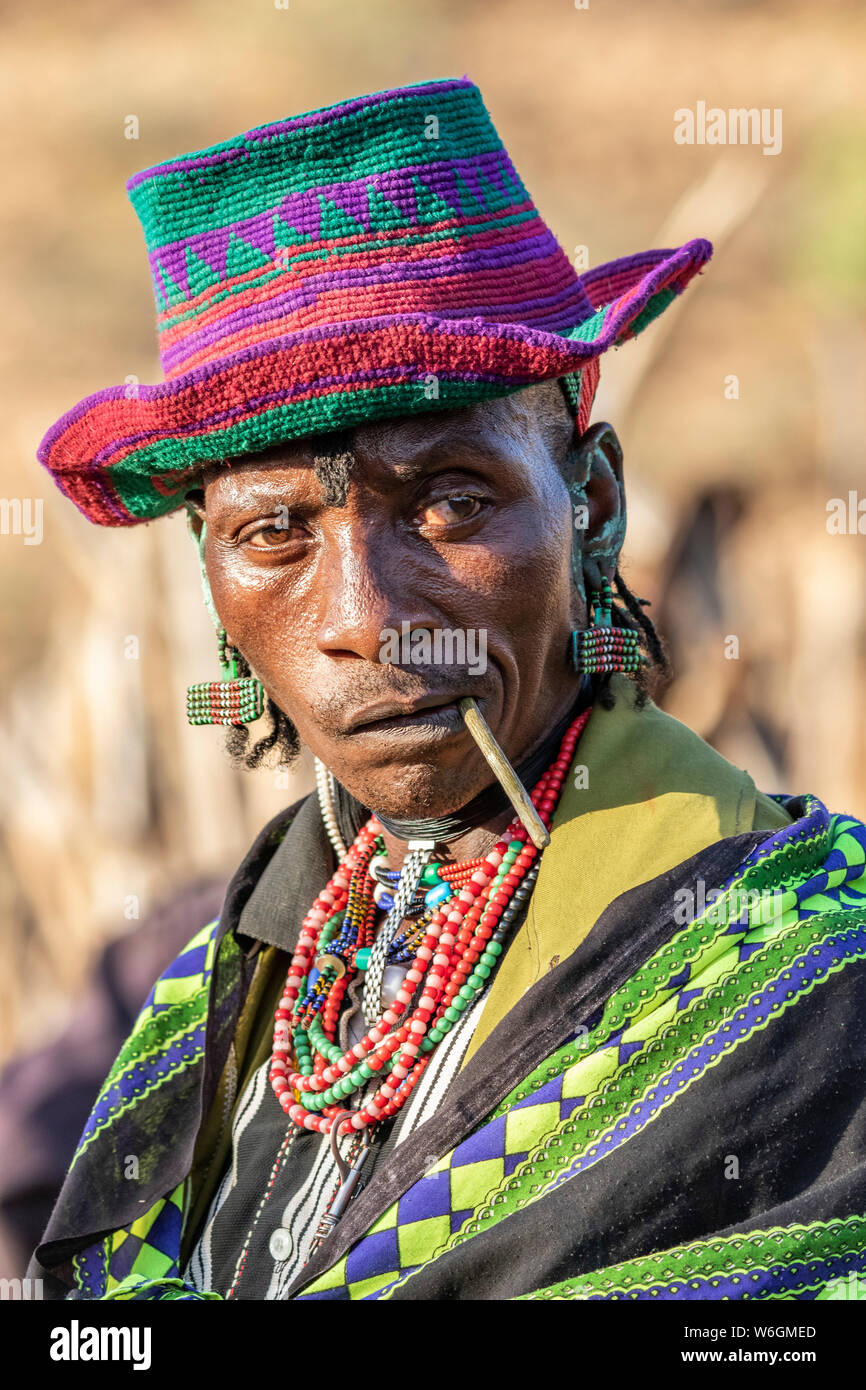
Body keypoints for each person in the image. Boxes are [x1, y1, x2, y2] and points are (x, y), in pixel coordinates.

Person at [29, 78, 866, 1302]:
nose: (369, 620)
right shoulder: (227, 977)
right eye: (274, 535)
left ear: (590, 505)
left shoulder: (799, 975)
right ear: (205, 579)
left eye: (455, 501)